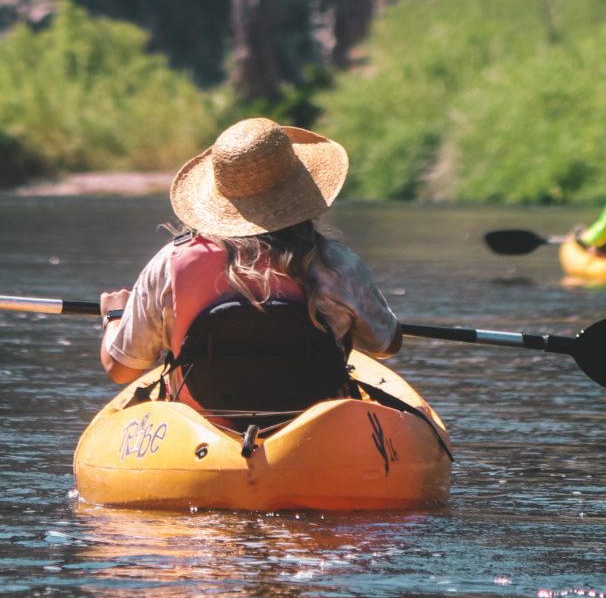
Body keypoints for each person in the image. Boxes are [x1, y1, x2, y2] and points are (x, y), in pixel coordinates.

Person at [99, 117, 400, 413]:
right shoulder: (338, 264)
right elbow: (385, 345)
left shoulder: (170, 263)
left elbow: (122, 369)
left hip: (205, 424)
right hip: (315, 424)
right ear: (301, 190)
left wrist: (115, 316)